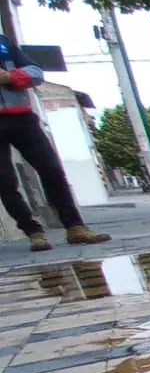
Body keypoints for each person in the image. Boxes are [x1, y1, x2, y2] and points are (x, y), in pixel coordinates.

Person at [0, 35, 109, 251]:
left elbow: (36, 72)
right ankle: (33, 232)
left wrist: (11, 77)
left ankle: (75, 227)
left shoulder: (4, 43)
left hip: (23, 118)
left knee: (51, 170)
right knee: (5, 182)